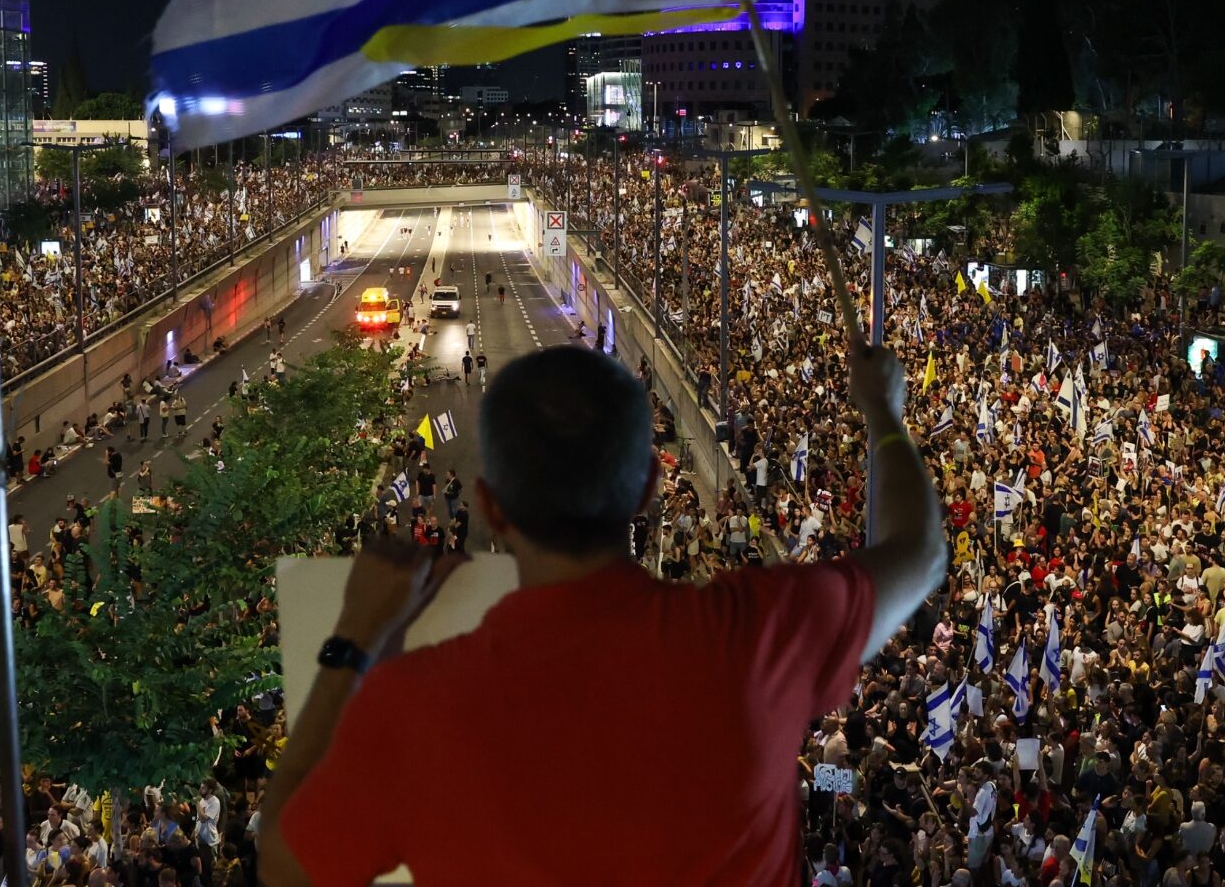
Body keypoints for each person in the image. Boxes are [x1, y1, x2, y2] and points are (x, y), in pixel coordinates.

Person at [261, 341, 944, 883]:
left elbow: (284, 862)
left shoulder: (408, 706)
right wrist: (884, 411)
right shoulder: (755, 633)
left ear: (490, 506)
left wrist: (355, 638)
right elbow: (919, 552)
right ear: (647, 489)